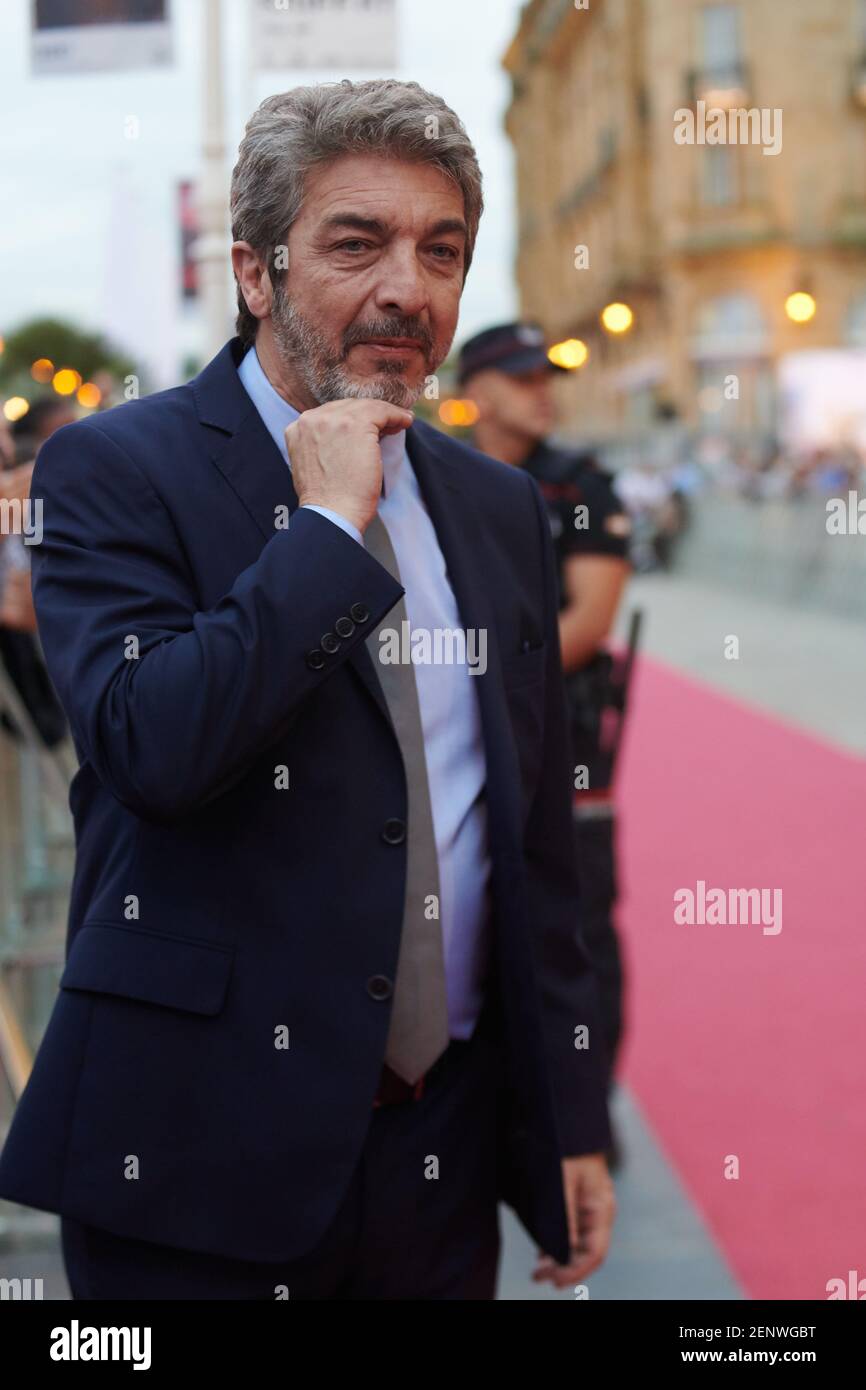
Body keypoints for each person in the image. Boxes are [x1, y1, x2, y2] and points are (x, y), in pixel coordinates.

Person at [0, 80, 616, 1300]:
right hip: (192, 1152)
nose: (406, 287)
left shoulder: (493, 507)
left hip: (437, 1153)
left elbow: (528, 844)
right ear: (253, 269)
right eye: (354, 243)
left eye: (440, 251)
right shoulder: (116, 466)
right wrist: (329, 525)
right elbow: (154, 745)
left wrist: (571, 1117)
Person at [458, 324, 631, 1153]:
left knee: (579, 925)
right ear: (480, 389)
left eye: (547, 376)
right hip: (461, 735)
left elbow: (590, 623)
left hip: (564, 736)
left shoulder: (581, 482)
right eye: (525, 377)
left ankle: (587, 1112)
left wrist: (469, 683)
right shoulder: (434, 472)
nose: (544, 390)